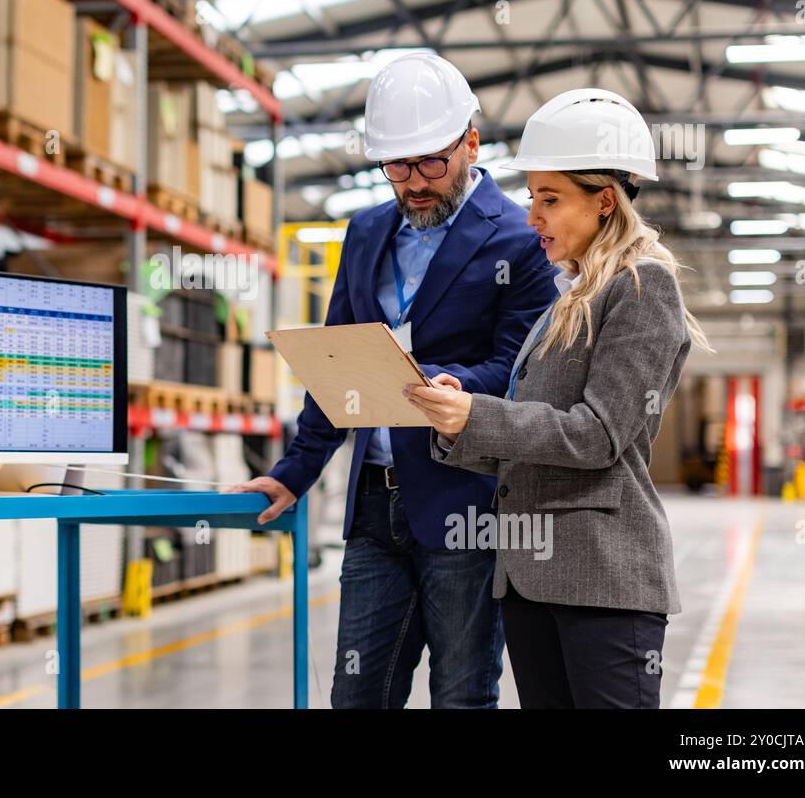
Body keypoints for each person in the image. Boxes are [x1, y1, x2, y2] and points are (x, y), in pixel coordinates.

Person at [227, 52, 558, 708]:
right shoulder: (367, 230)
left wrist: (453, 384)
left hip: (465, 506)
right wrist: (294, 472)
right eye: (397, 167)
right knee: (357, 694)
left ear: (471, 142)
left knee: (461, 695)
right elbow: (337, 366)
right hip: (375, 511)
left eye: (430, 163)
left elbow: (522, 371)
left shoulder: (520, 241)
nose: (413, 184)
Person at [408, 88, 711, 709]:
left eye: (551, 199)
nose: (532, 217)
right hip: (531, 575)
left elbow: (597, 435)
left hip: (603, 580)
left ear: (605, 201)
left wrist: (481, 417)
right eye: (531, 197)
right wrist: (457, 419)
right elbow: (528, 443)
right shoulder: (568, 297)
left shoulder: (641, 286)